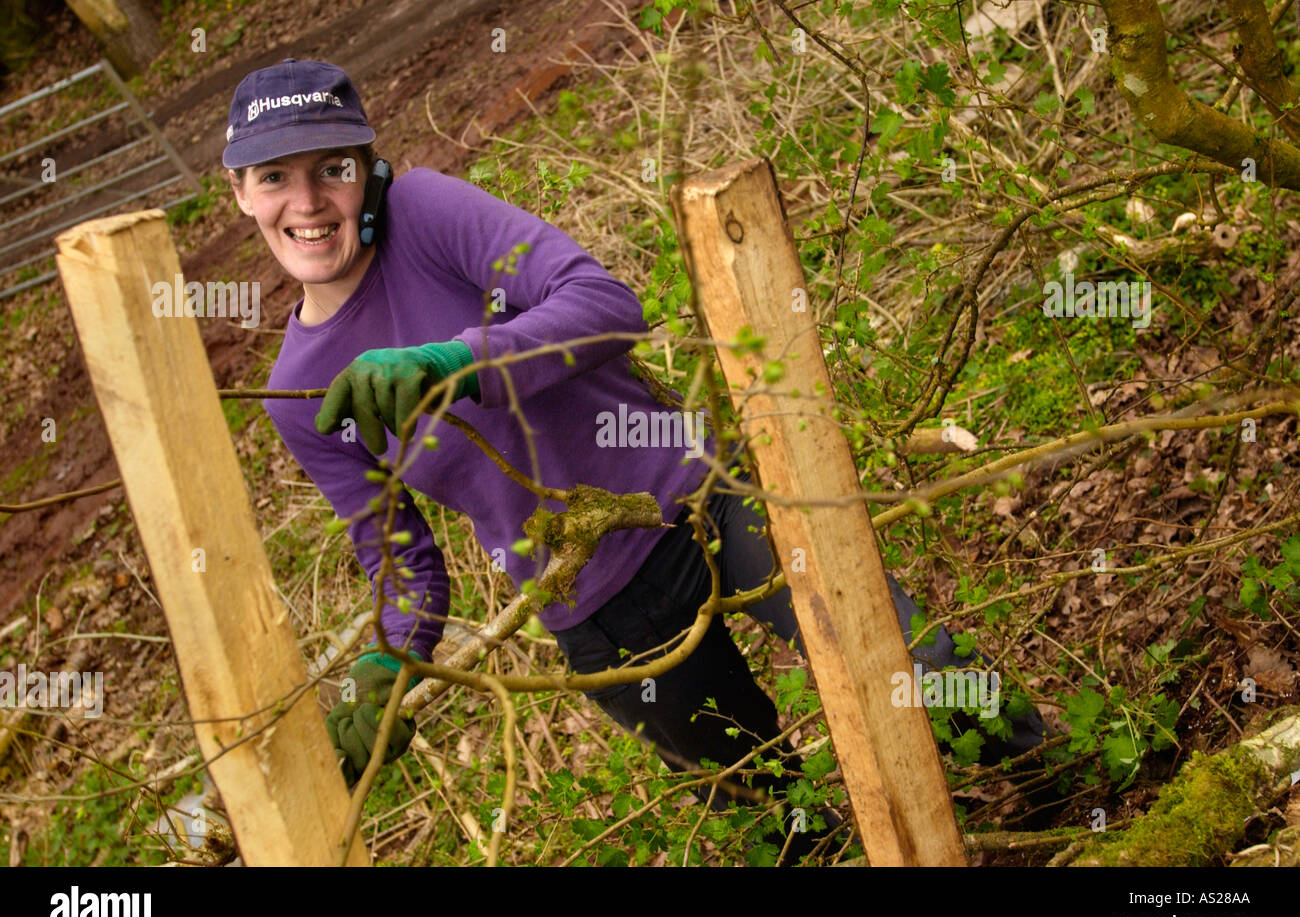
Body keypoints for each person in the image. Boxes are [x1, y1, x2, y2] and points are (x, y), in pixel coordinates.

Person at [225, 59, 1046, 859]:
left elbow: (606, 306)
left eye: (332, 168)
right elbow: (401, 562)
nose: (307, 202)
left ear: (367, 170)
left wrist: (454, 362)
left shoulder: (427, 213)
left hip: (696, 499)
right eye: (273, 178)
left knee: (916, 670)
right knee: (771, 817)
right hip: (599, 612)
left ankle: (1083, 792)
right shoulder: (299, 392)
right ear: (241, 195)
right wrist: (386, 663)